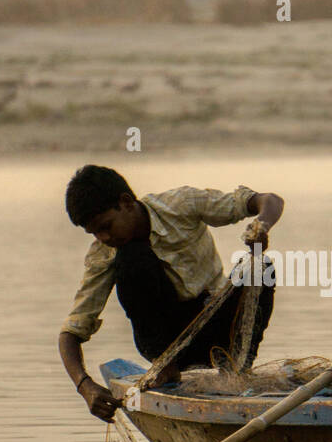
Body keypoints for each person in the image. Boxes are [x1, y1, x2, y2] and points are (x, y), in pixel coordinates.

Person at [59, 165, 284, 421]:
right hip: (168, 343)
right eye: (95, 233)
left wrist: (261, 226)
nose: (104, 237)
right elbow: (71, 332)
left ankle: (237, 368)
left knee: (260, 267)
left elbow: (269, 200)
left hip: (217, 325)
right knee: (132, 258)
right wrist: (84, 385)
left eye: (106, 226)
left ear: (126, 202)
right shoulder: (105, 253)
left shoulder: (181, 204)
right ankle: (166, 367)